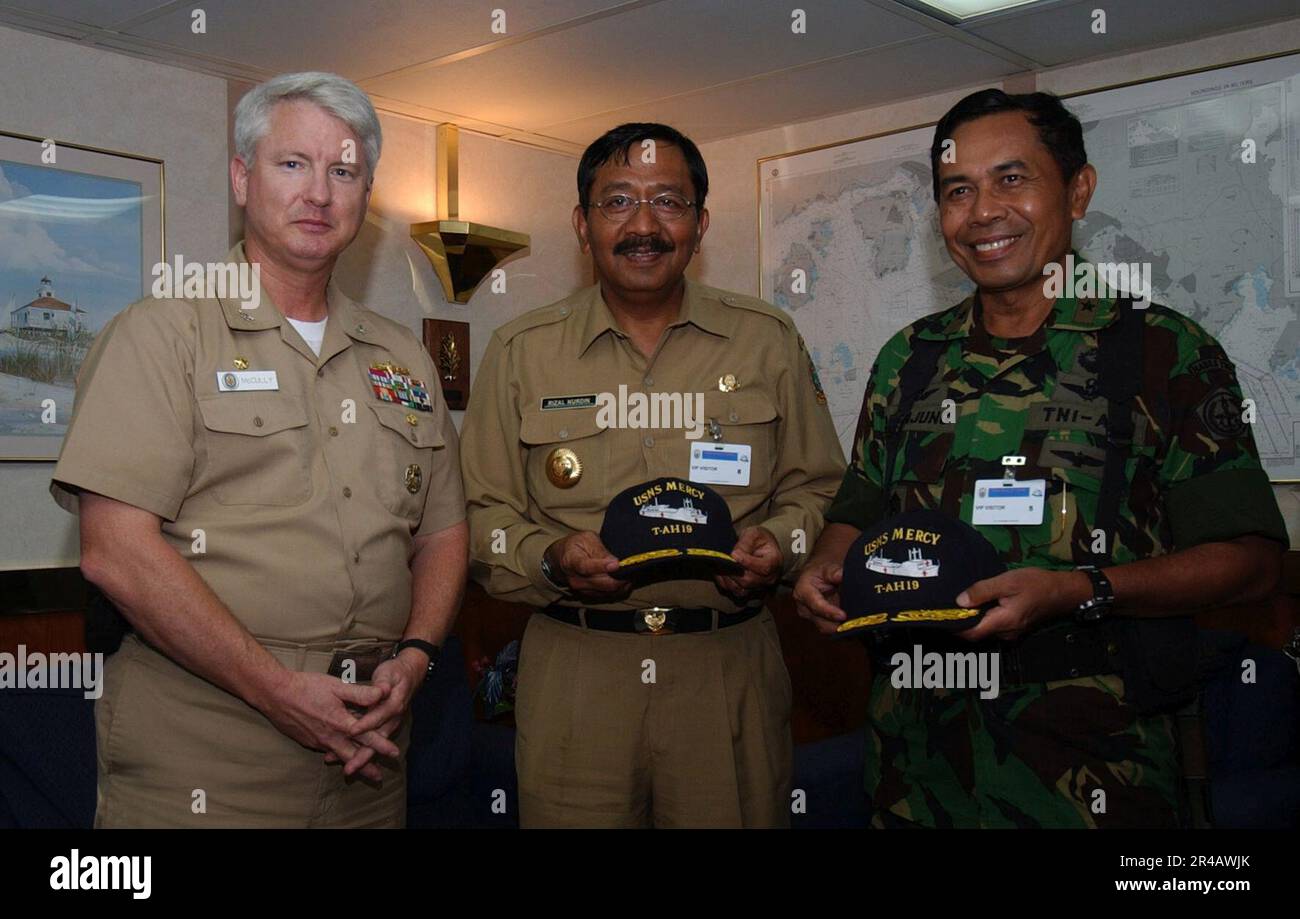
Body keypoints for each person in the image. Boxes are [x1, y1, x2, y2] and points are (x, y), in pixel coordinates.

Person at [793, 89, 1288, 828]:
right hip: (916, 762)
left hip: (1095, 763)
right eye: (959, 190)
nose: (983, 210)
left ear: (1079, 190)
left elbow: (1252, 562)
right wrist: (822, 573)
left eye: (1012, 179)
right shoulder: (911, 358)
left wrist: (1082, 588)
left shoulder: (1160, 350)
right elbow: (858, 511)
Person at [50, 71, 468, 828]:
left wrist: (416, 656)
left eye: (343, 171)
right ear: (242, 179)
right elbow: (114, 550)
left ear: (365, 195)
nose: (320, 193)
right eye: (293, 164)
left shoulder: (402, 358)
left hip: (371, 753)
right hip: (208, 755)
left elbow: (443, 531)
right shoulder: (164, 332)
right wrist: (278, 689)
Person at [460, 122, 844, 828]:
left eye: (668, 201)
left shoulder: (767, 339)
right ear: (582, 225)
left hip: (728, 665)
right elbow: (480, 516)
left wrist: (781, 544)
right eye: (617, 203)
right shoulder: (520, 351)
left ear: (700, 224)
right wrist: (548, 557)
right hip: (578, 671)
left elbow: (819, 487)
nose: (644, 225)